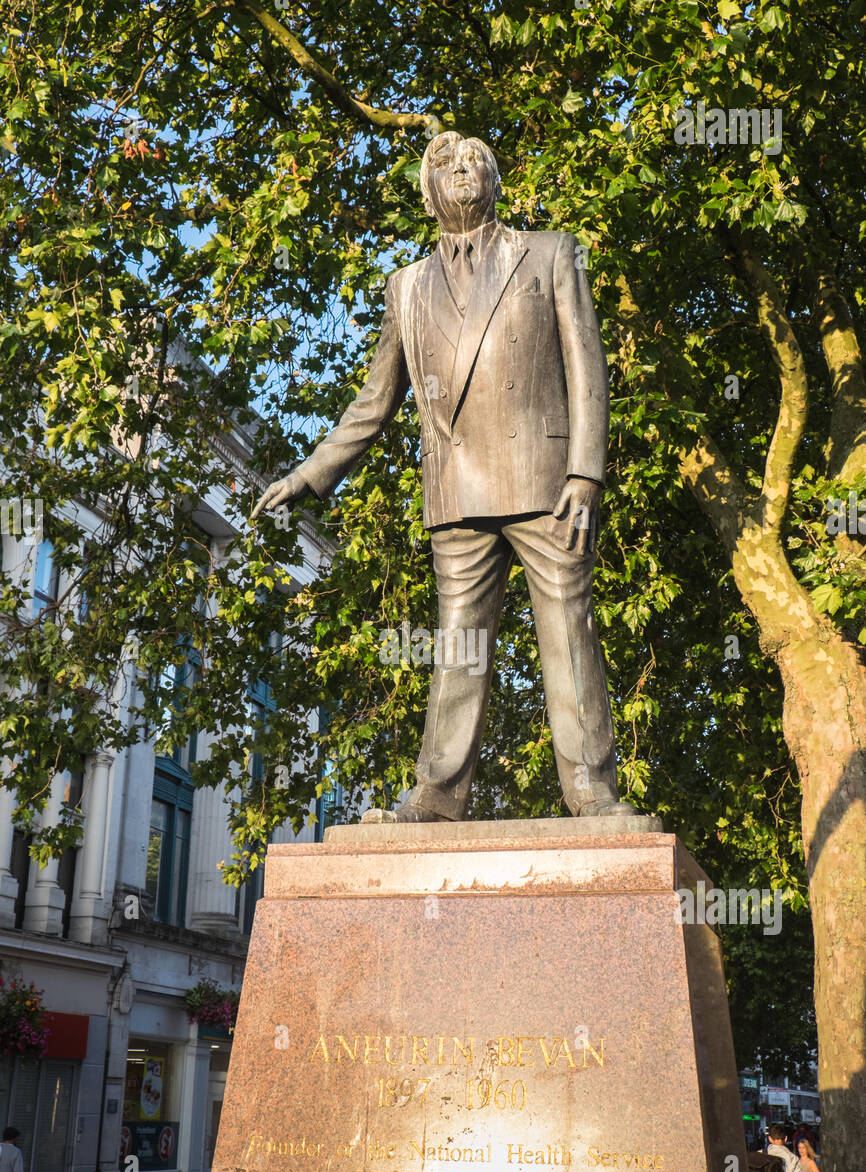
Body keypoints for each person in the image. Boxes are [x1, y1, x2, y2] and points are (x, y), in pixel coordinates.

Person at [253, 131, 638, 824]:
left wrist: (586, 471)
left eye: (475, 164)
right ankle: (437, 795)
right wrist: (312, 474)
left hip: (547, 478)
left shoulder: (549, 253)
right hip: (456, 489)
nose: (463, 173)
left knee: (568, 632)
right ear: (428, 191)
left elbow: (587, 368)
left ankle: (591, 790)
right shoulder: (405, 287)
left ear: (495, 180)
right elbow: (375, 401)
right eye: (448, 167)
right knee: (458, 641)